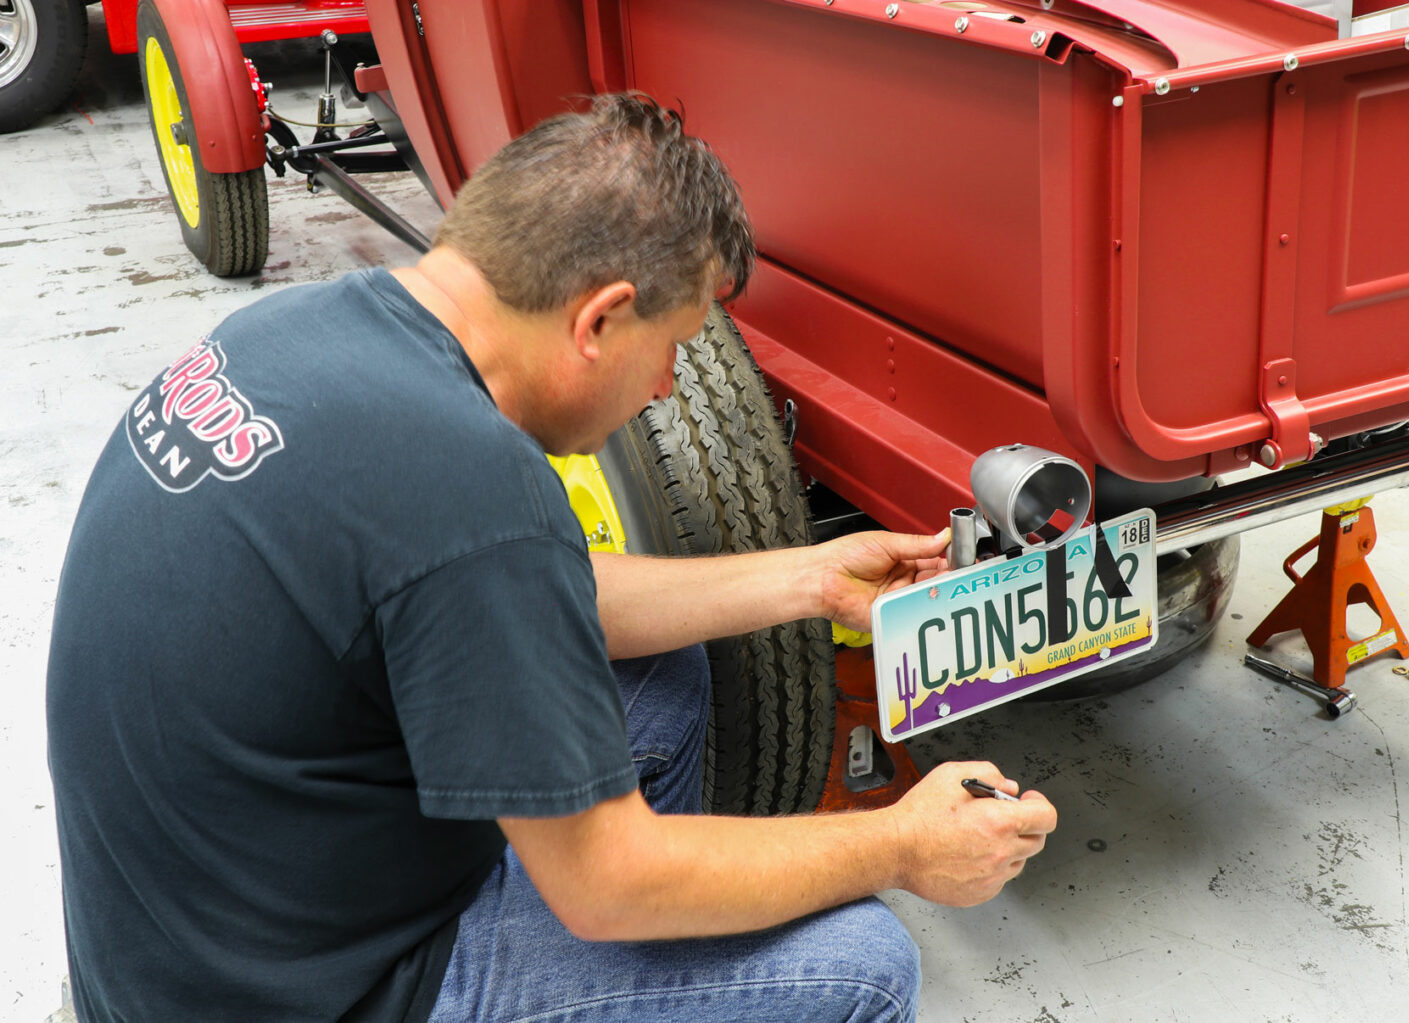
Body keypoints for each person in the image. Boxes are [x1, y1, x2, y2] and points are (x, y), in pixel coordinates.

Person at [46, 93, 1057, 1023]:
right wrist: (905, 844)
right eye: (672, 347)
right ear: (599, 319)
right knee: (863, 967)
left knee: (663, 677)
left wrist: (807, 578)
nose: (668, 389)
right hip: (310, 994)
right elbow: (606, 883)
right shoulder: (471, 480)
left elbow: (527, 593)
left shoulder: (319, 330)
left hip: (204, 926)